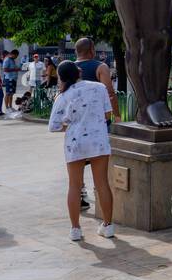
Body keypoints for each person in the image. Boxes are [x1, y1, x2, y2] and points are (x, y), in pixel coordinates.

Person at [48, 60, 115, 241]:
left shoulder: (62, 97)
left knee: (74, 186)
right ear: (78, 72)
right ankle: (108, 226)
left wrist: (70, 126)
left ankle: (76, 229)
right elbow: (108, 114)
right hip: (98, 141)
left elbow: (53, 126)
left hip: (75, 143)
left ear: (61, 77)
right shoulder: (99, 88)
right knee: (102, 183)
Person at [75, 37, 120, 211]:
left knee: (78, 162)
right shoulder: (101, 67)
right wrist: (116, 115)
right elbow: (110, 92)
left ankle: (80, 194)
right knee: (100, 162)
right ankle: (102, 200)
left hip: (77, 123)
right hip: (98, 122)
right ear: (92, 50)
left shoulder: (69, 68)